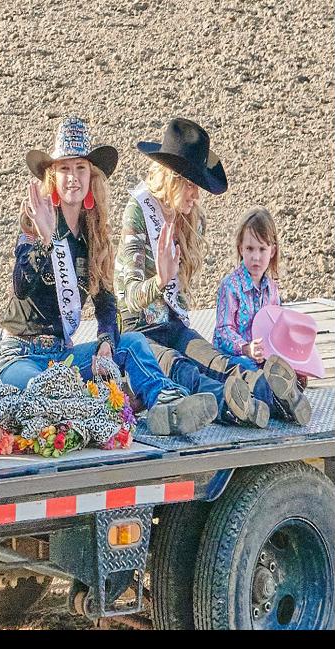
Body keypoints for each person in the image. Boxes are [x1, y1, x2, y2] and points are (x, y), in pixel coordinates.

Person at [0, 117, 217, 436]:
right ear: (53, 177)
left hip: (61, 356)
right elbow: (20, 286)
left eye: (80, 169)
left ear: (91, 178)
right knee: (45, 394)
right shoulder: (36, 222)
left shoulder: (93, 235)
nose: (73, 178)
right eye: (64, 169)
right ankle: (108, 404)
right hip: (22, 357)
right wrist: (46, 242)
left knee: (132, 342)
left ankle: (166, 403)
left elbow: (107, 305)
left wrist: (104, 343)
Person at [114, 117, 277, 428]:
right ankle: (233, 403)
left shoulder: (192, 220)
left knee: (212, 358)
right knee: (181, 369)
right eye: (192, 185)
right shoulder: (138, 212)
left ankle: (268, 391)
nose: (196, 196)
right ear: (174, 180)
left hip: (173, 323)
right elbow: (129, 296)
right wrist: (160, 281)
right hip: (137, 331)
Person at [213, 207, 315, 424]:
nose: (256, 257)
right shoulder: (230, 286)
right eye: (250, 248)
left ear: (273, 250)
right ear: (240, 248)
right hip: (237, 357)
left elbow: (277, 330)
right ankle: (281, 403)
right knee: (250, 374)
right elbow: (223, 331)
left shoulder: (272, 289)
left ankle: (282, 398)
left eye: (262, 249)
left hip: (266, 360)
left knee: (290, 374)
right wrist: (246, 348)